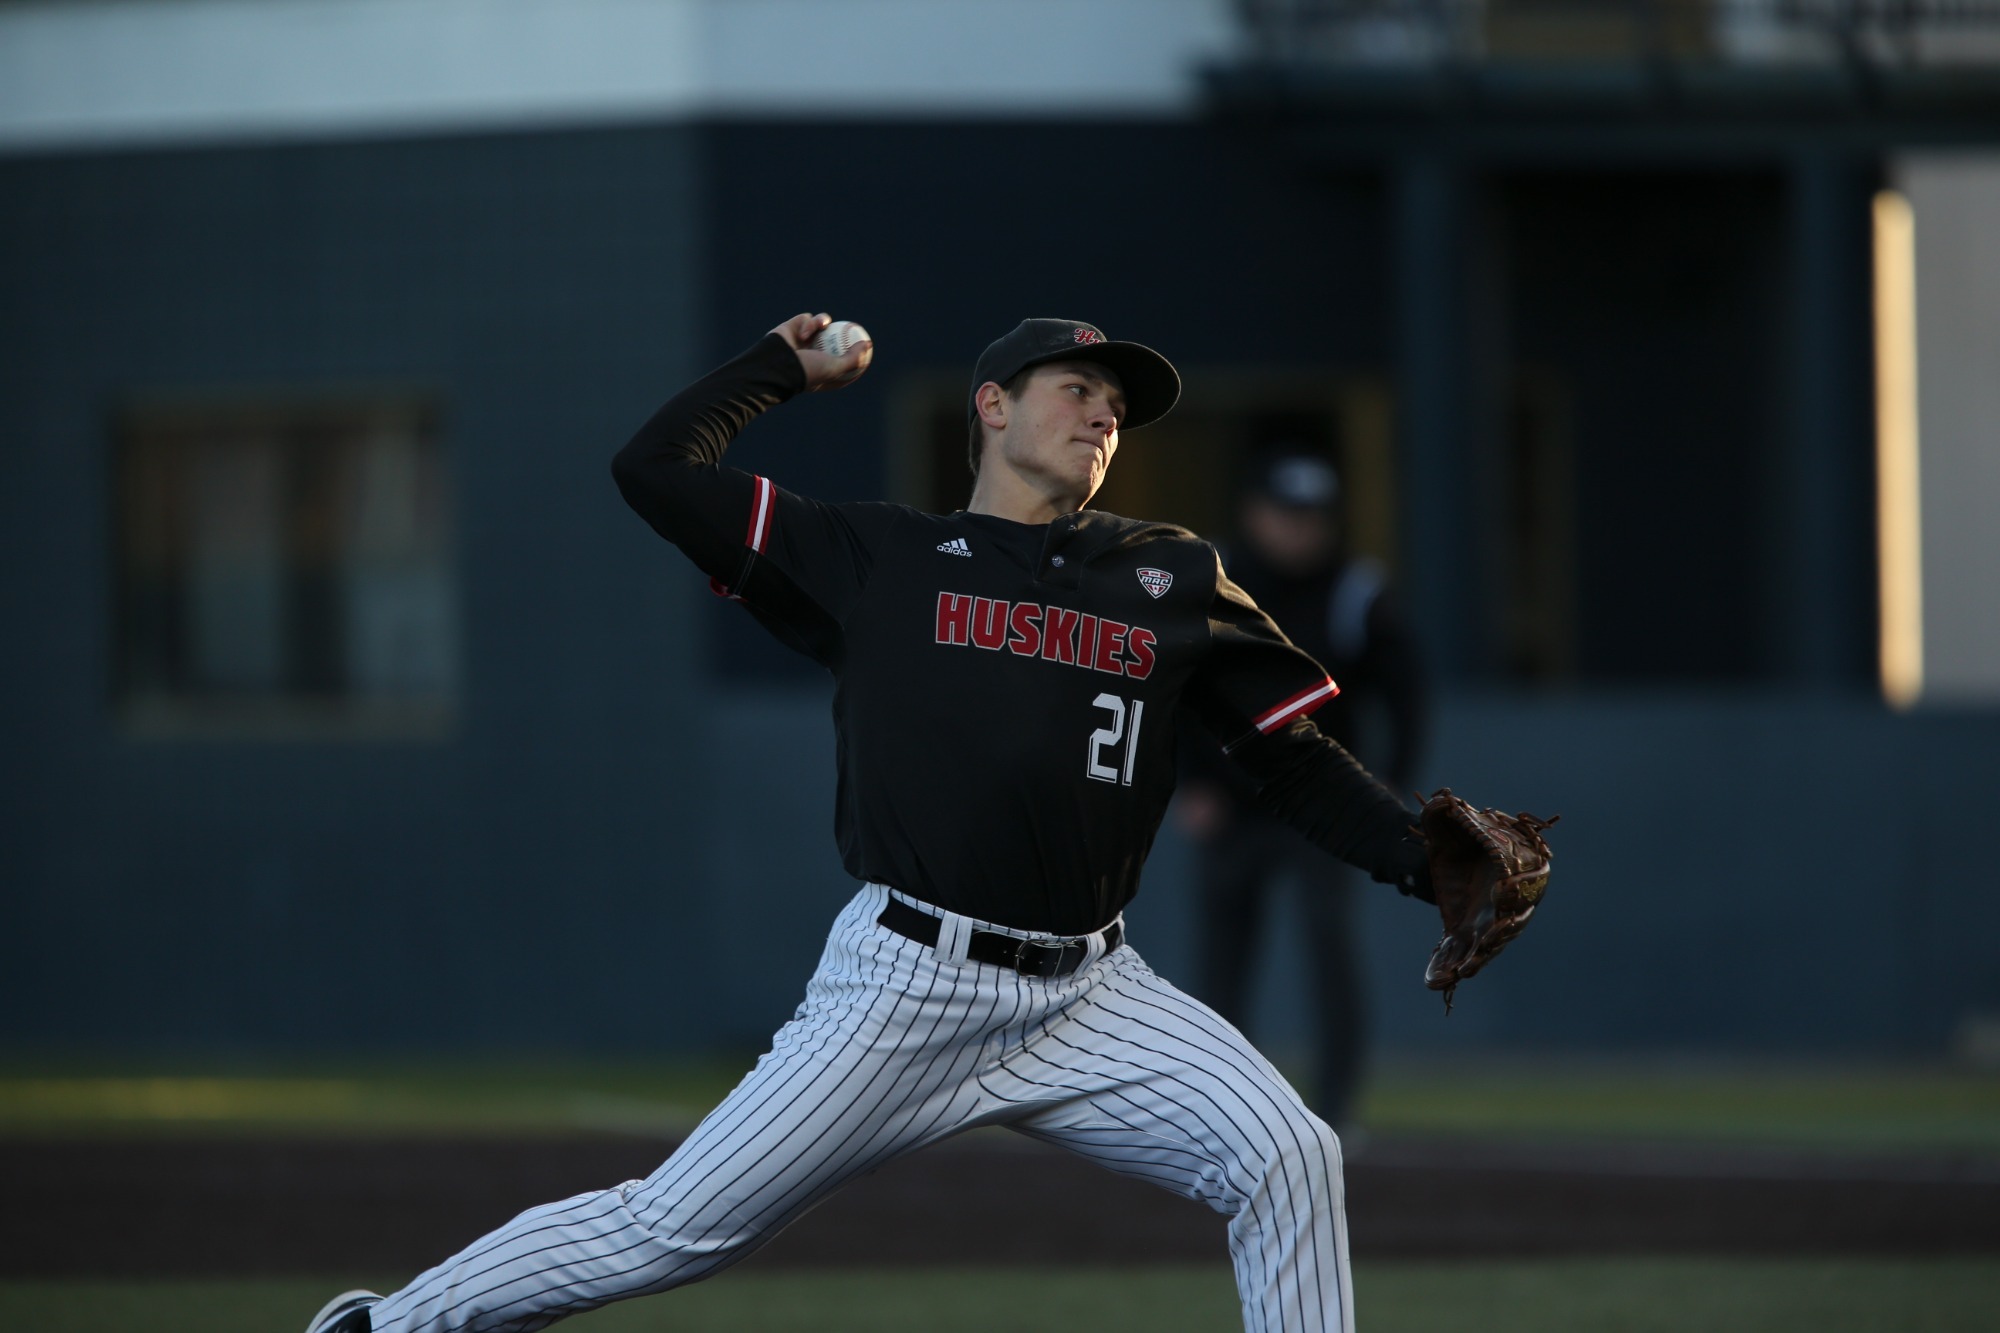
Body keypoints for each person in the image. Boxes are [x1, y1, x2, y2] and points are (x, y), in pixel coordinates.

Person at [304, 314, 1437, 1333]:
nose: (1102, 414)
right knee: (669, 1229)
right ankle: (389, 1327)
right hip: (910, 985)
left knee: (1289, 1155)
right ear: (991, 407)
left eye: (1115, 405)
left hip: (1091, 992)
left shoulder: (1168, 573)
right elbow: (654, 470)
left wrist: (1420, 859)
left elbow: (1290, 757)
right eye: (1075, 388)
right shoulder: (879, 559)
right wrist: (775, 371)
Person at [1176, 450, 1427, 1132]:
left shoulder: (1354, 590)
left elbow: (1406, 691)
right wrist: (1191, 783)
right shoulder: (1214, 578)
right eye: (1286, 514)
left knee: (1329, 948)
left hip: (1322, 807)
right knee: (1223, 960)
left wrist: (1392, 777)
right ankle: (1222, 1106)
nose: (1299, 529)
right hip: (1232, 804)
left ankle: (1336, 1107)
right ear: (1253, 513)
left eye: (1313, 516)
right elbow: (1176, 687)